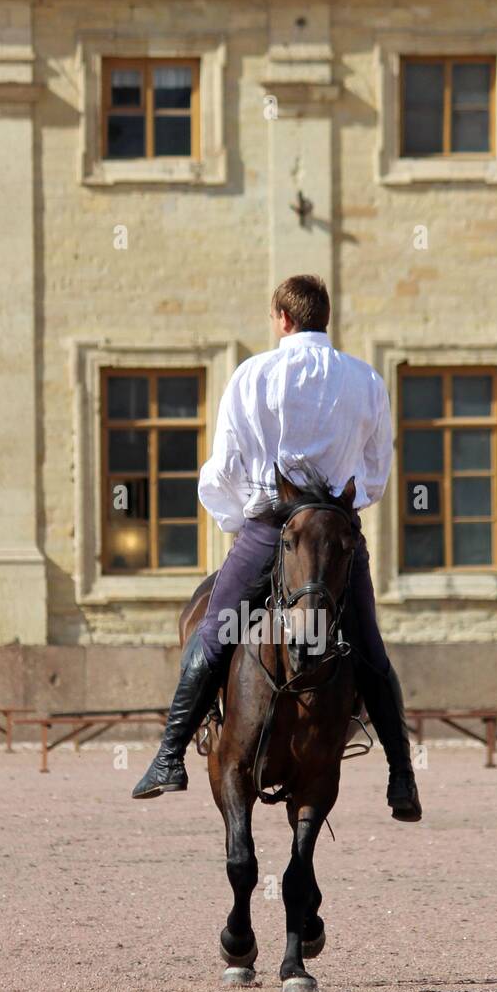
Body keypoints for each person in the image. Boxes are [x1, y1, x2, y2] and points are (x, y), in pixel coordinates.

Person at [132, 274, 422, 822]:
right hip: (335, 534)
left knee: (216, 631)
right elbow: (378, 471)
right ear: (324, 318)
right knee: (368, 647)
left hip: (270, 528)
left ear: (282, 319)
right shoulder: (364, 379)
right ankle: (402, 777)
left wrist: (238, 519)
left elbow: (224, 467)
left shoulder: (252, 375)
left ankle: (170, 756)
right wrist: (338, 509)